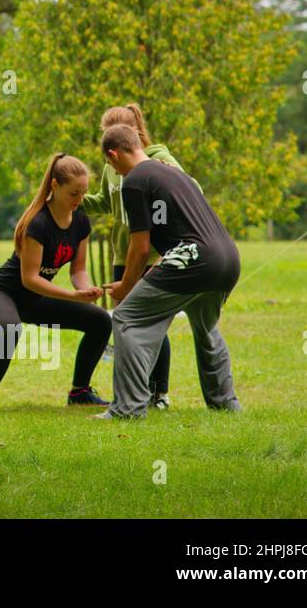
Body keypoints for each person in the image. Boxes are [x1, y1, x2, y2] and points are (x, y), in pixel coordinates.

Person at [95, 125, 242, 419]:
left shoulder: (134, 181)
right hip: (227, 257)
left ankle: (128, 409)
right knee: (206, 327)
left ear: (113, 154)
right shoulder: (172, 171)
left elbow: (139, 247)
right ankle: (226, 405)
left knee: (126, 318)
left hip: (195, 258)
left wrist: (126, 286)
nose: (116, 172)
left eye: (111, 165)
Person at [0, 154, 112, 414]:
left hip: (35, 300)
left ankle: (80, 392)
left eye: (83, 193)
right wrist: (73, 296)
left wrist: (85, 288)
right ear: (54, 186)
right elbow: (30, 279)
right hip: (3, 293)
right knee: (9, 329)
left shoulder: (80, 219)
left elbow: (79, 269)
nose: (79, 200)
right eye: (74, 193)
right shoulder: (37, 223)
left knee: (101, 320)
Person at [81, 103, 193, 409]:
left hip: (154, 252)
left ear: (132, 134)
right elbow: (106, 202)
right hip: (125, 253)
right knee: (128, 325)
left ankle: (160, 393)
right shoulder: (110, 166)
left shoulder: (159, 159)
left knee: (152, 322)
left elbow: (187, 188)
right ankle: (134, 392)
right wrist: (72, 198)